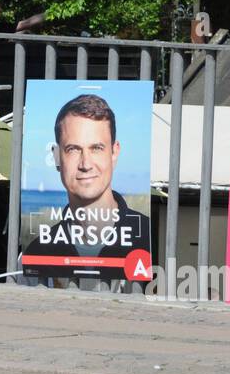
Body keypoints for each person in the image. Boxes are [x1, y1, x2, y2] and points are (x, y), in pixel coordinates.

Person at [22, 93, 151, 280]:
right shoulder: (37, 250)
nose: (85, 164)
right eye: (73, 149)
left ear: (114, 153)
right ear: (57, 157)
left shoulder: (148, 237)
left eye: (96, 148)